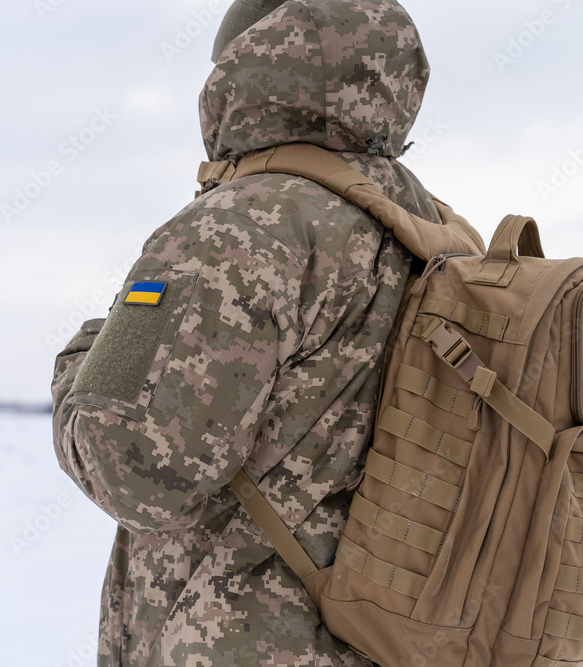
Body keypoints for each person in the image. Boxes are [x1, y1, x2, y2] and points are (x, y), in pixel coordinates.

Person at [51, 1, 443, 664]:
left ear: (244, 64)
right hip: (380, 642)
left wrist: (82, 360)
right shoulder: (427, 224)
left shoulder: (235, 226)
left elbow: (138, 466)